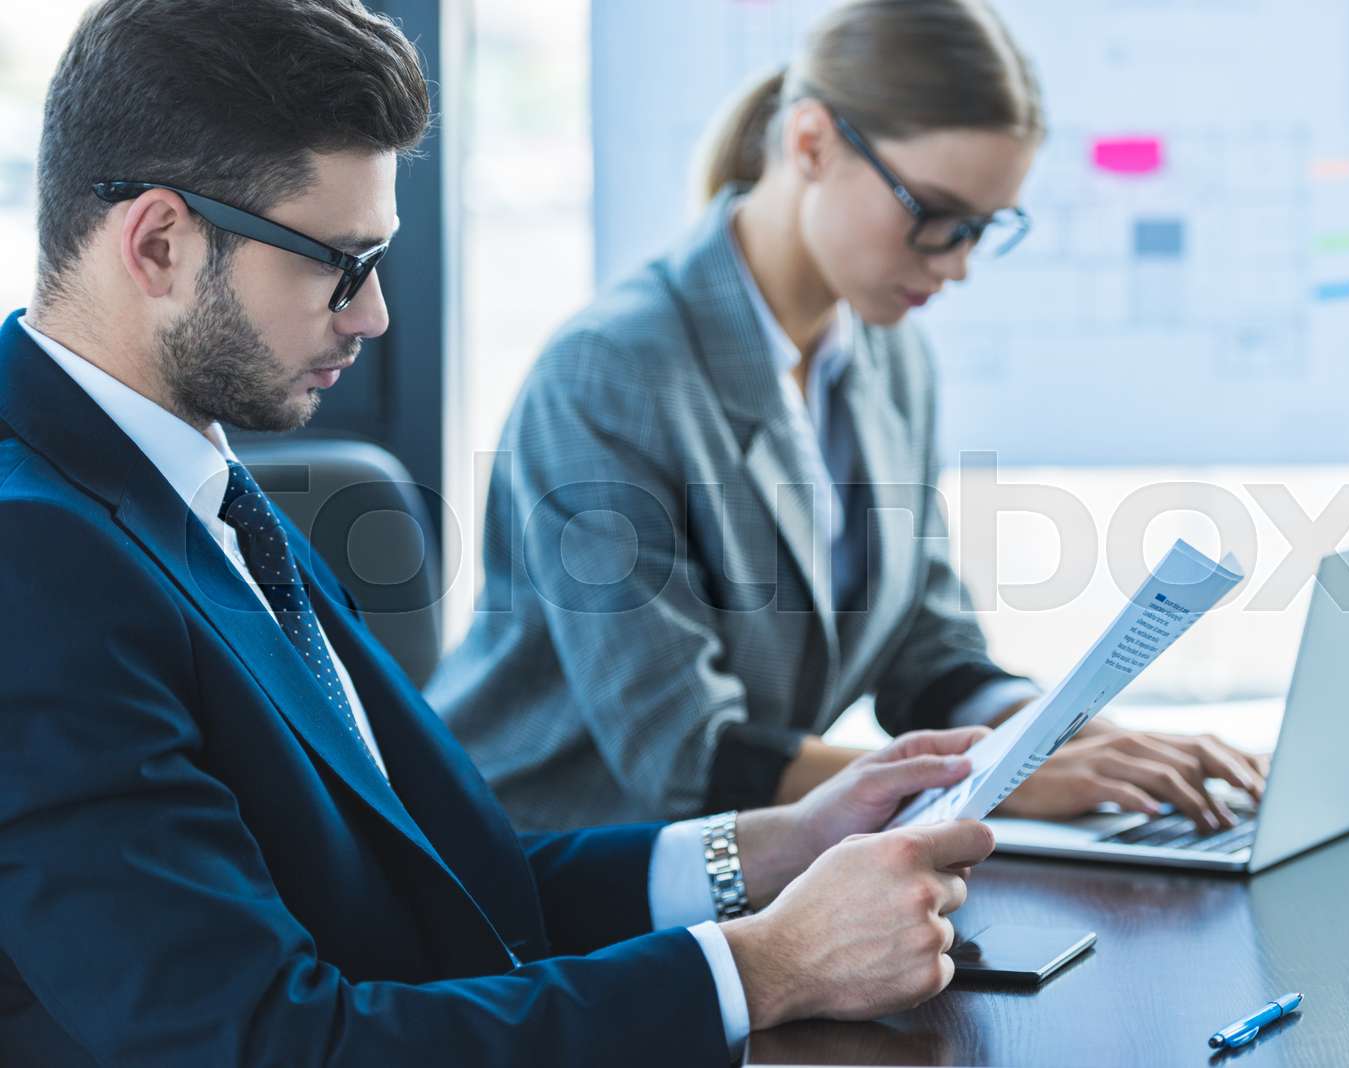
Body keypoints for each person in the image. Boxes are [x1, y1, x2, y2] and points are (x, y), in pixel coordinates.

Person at [0, 2, 1002, 1063]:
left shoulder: (185, 478)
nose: (374, 312)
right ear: (158, 243)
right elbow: (260, 1043)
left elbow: (445, 891)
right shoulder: (35, 561)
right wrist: (768, 966)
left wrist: (770, 850)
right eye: (337, 262)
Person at [428, 0, 1268, 835]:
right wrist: (996, 771)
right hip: (538, 878)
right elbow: (688, 756)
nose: (960, 265)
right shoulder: (612, 373)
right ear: (811, 143)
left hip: (737, 859)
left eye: (982, 228)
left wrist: (1075, 738)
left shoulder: (889, 355)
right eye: (934, 216)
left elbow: (927, 657)